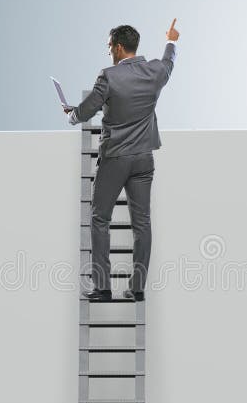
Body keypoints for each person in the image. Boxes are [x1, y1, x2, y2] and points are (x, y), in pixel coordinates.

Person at [64, 19, 179, 301]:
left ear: (117, 47)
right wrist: (172, 40)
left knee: (99, 218)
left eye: (108, 47)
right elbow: (168, 61)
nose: (109, 53)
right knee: (142, 224)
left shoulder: (109, 76)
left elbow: (88, 109)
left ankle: (102, 287)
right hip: (143, 158)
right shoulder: (154, 72)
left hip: (115, 158)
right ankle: (137, 288)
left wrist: (71, 115)